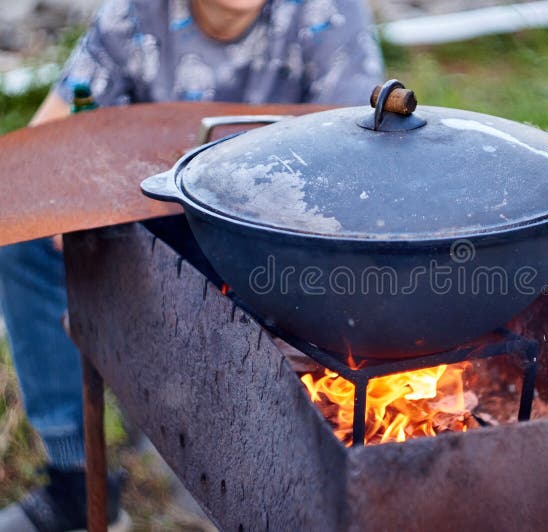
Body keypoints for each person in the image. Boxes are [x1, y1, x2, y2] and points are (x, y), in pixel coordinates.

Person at [0, 0, 384, 529]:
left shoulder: (328, 13)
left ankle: (293, 479)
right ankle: (74, 480)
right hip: (149, 226)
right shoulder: (134, 14)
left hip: (274, 237)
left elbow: (360, 155)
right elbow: (48, 138)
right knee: (25, 244)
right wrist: (57, 196)